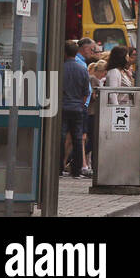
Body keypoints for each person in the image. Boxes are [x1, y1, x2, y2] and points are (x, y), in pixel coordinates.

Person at [61, 41, 89, 178]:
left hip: (62, 107)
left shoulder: (60, 68)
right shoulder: (82, 69)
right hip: (77, 108)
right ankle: (76, 170)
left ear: (64, 53)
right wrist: (80, 104)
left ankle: (59, 167)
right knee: (77, 139)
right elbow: (86, 92)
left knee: (60, 137)